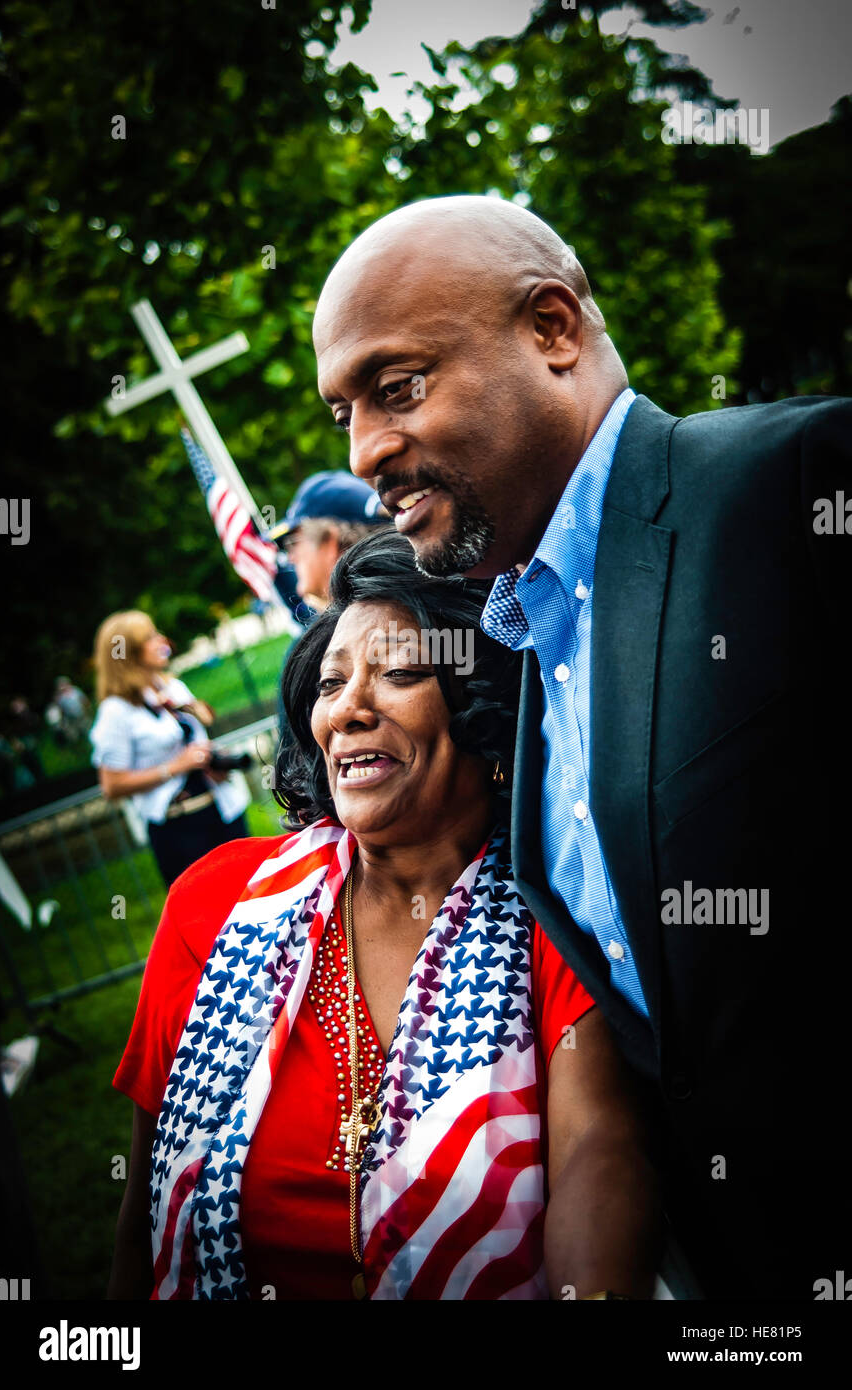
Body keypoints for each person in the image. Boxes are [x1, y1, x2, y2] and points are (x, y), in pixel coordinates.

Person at [311, 195, 852, 1300]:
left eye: (397, 385)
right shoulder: (517, 640)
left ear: (552, 329)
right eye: (344, 414)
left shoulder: (793, 478)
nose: (366, 449)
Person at [108, 530, 661, 1301]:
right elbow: (140, 1221)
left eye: (398, 672)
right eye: (330, 685)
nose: (348, 711)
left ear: (483, 710)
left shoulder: (553, 907)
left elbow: (597, 1150)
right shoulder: (213, 901)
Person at [90, 610, 250, 889]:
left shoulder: (172, 687)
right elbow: (111, 785)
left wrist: (210, 759)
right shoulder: (115, 711)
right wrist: (175, 767)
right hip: (180, 830)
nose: (161, 640)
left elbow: (199, 733)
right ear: (127, 652)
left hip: (224, 810)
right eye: (150, 637)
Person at [271, 469, 391, 613]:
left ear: (329, 543)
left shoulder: (363, 625)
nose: (290, 558)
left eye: (292, 543)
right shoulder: (403, 600)